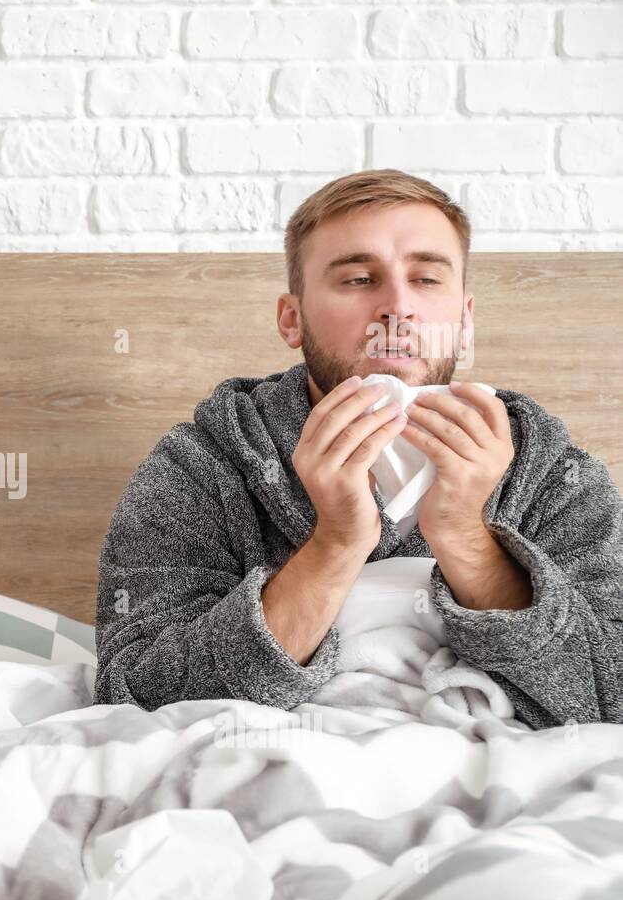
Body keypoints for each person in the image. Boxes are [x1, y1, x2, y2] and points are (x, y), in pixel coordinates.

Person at [94, 169, 623, 728]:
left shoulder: (551, 475)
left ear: (465, 323)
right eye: (358, 279)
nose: (397, 307)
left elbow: (609, 695)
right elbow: (132, 699)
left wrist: (469, 540)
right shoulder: (200, 467)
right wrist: (336, 544)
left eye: (425, 279)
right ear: (291, 319)